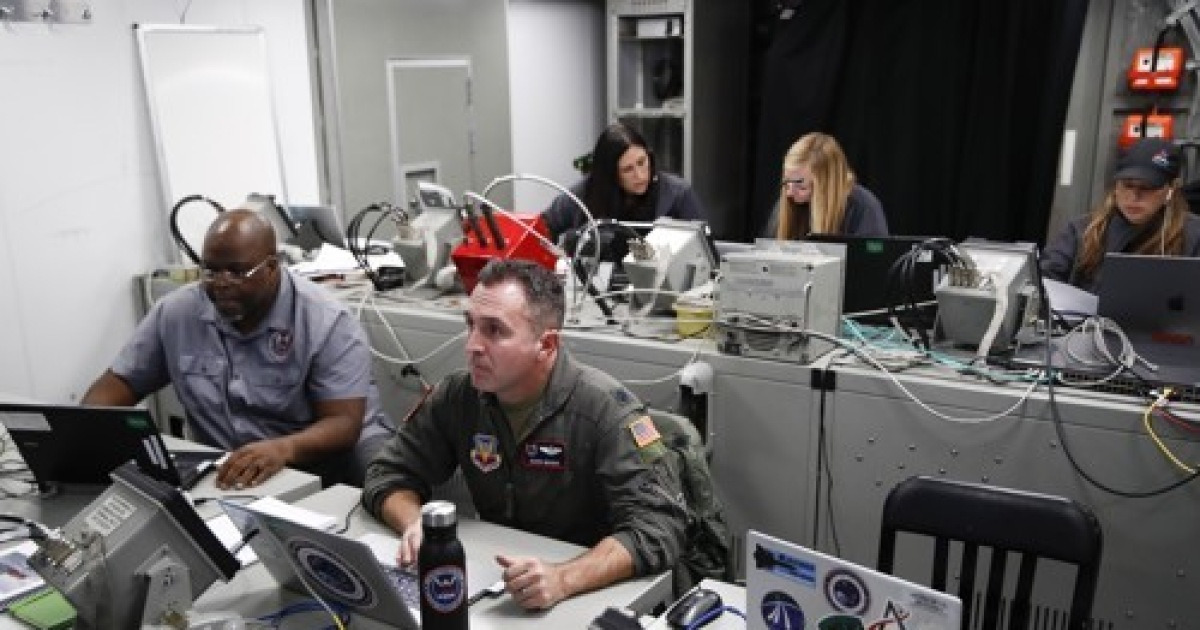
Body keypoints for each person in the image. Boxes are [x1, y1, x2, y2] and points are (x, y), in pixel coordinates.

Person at [362, 259, 688, 610]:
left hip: (595, 595)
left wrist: (564, 578)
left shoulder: (609, 411)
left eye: (494, 331)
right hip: (502, 583)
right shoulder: (458, 398)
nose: (472, 345)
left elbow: (660, 525)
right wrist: (416, 525)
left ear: (546, 345)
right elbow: (388, 473)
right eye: (470, 325)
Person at [82, 209, 392, 488]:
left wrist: (283, 449)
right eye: (211, 270)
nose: (221, 282)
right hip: (227, 473)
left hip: (311, 468)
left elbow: (342, 424)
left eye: (236, 271)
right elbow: (116, 386)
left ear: (272, 267)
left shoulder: (326, 321)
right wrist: (80, 436)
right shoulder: (177, 313)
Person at [1042, 138, 1200, 293]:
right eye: (1127, 185)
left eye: (1148, 188)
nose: (1134, 196)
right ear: (1115, 187)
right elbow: (1046, 281)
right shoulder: (1082, 230)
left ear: (1171, 189)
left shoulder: (1194, 236)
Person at [542, 122, 705, 241]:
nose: (640, 175)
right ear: (610, 174)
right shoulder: (584, 194)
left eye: (642, 162)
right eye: (628, 169)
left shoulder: (678, 194)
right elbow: (541, 229)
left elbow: (705, 252)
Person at [764, 132, 889, 238]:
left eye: (801, 186)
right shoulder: (788, 204)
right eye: (787, 183)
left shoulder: (863, 207)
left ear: (826, 184)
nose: (789, 193)